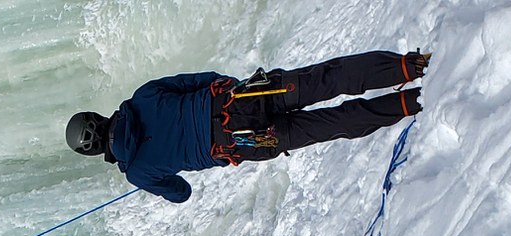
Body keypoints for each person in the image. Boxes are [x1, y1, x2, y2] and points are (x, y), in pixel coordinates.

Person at [66, 51, 429, 202]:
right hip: (241, 98)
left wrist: (154, 175)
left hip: (246, 141)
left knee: (332, 124)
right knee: (325, 79)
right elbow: (197, 80)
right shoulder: (142, 97)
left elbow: (181, 193)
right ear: (99, 116)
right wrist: (228, 86)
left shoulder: (138, 173)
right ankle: (409, 67)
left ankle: (412, 103)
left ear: (94, 152)